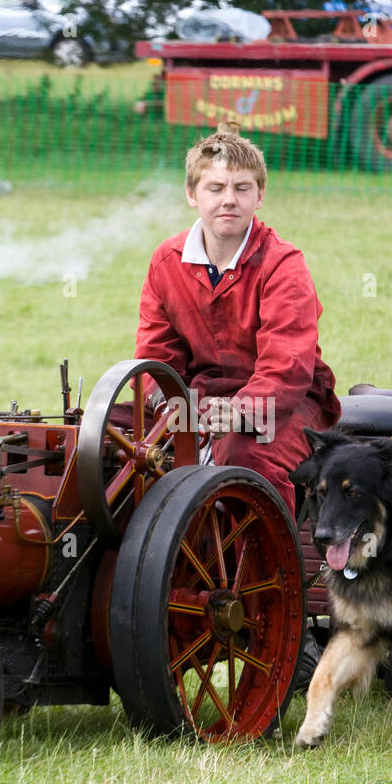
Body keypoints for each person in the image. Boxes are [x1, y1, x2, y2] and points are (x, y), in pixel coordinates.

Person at [135, 129, 340, 516]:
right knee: (117, 439)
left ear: (259, 196)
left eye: (242, 188)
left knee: (240, 452)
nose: (229, 199)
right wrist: (174, 406)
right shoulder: (166, 261)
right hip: (198, 398)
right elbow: (155, 354)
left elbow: (288, 367)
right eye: (215, 188)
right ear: (192, 195)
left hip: (289, 403)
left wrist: (243, 411)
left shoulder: (283, 264)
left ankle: (268, 568)